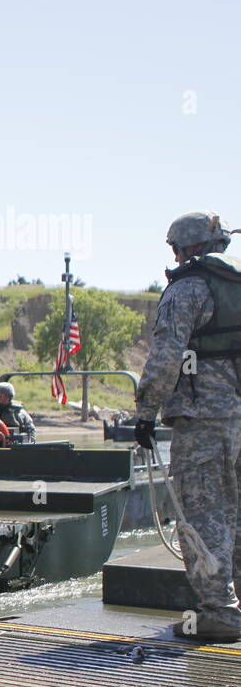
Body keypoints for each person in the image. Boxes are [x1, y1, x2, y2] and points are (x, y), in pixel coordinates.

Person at [135, 211, 241, 642]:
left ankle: (219, 613)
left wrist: (145, 412)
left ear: (189, 248)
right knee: (236, 515)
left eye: (176, 248)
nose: (175, 256)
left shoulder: (187, 289)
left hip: (203, 423)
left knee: (204, 516)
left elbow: (165, 359)